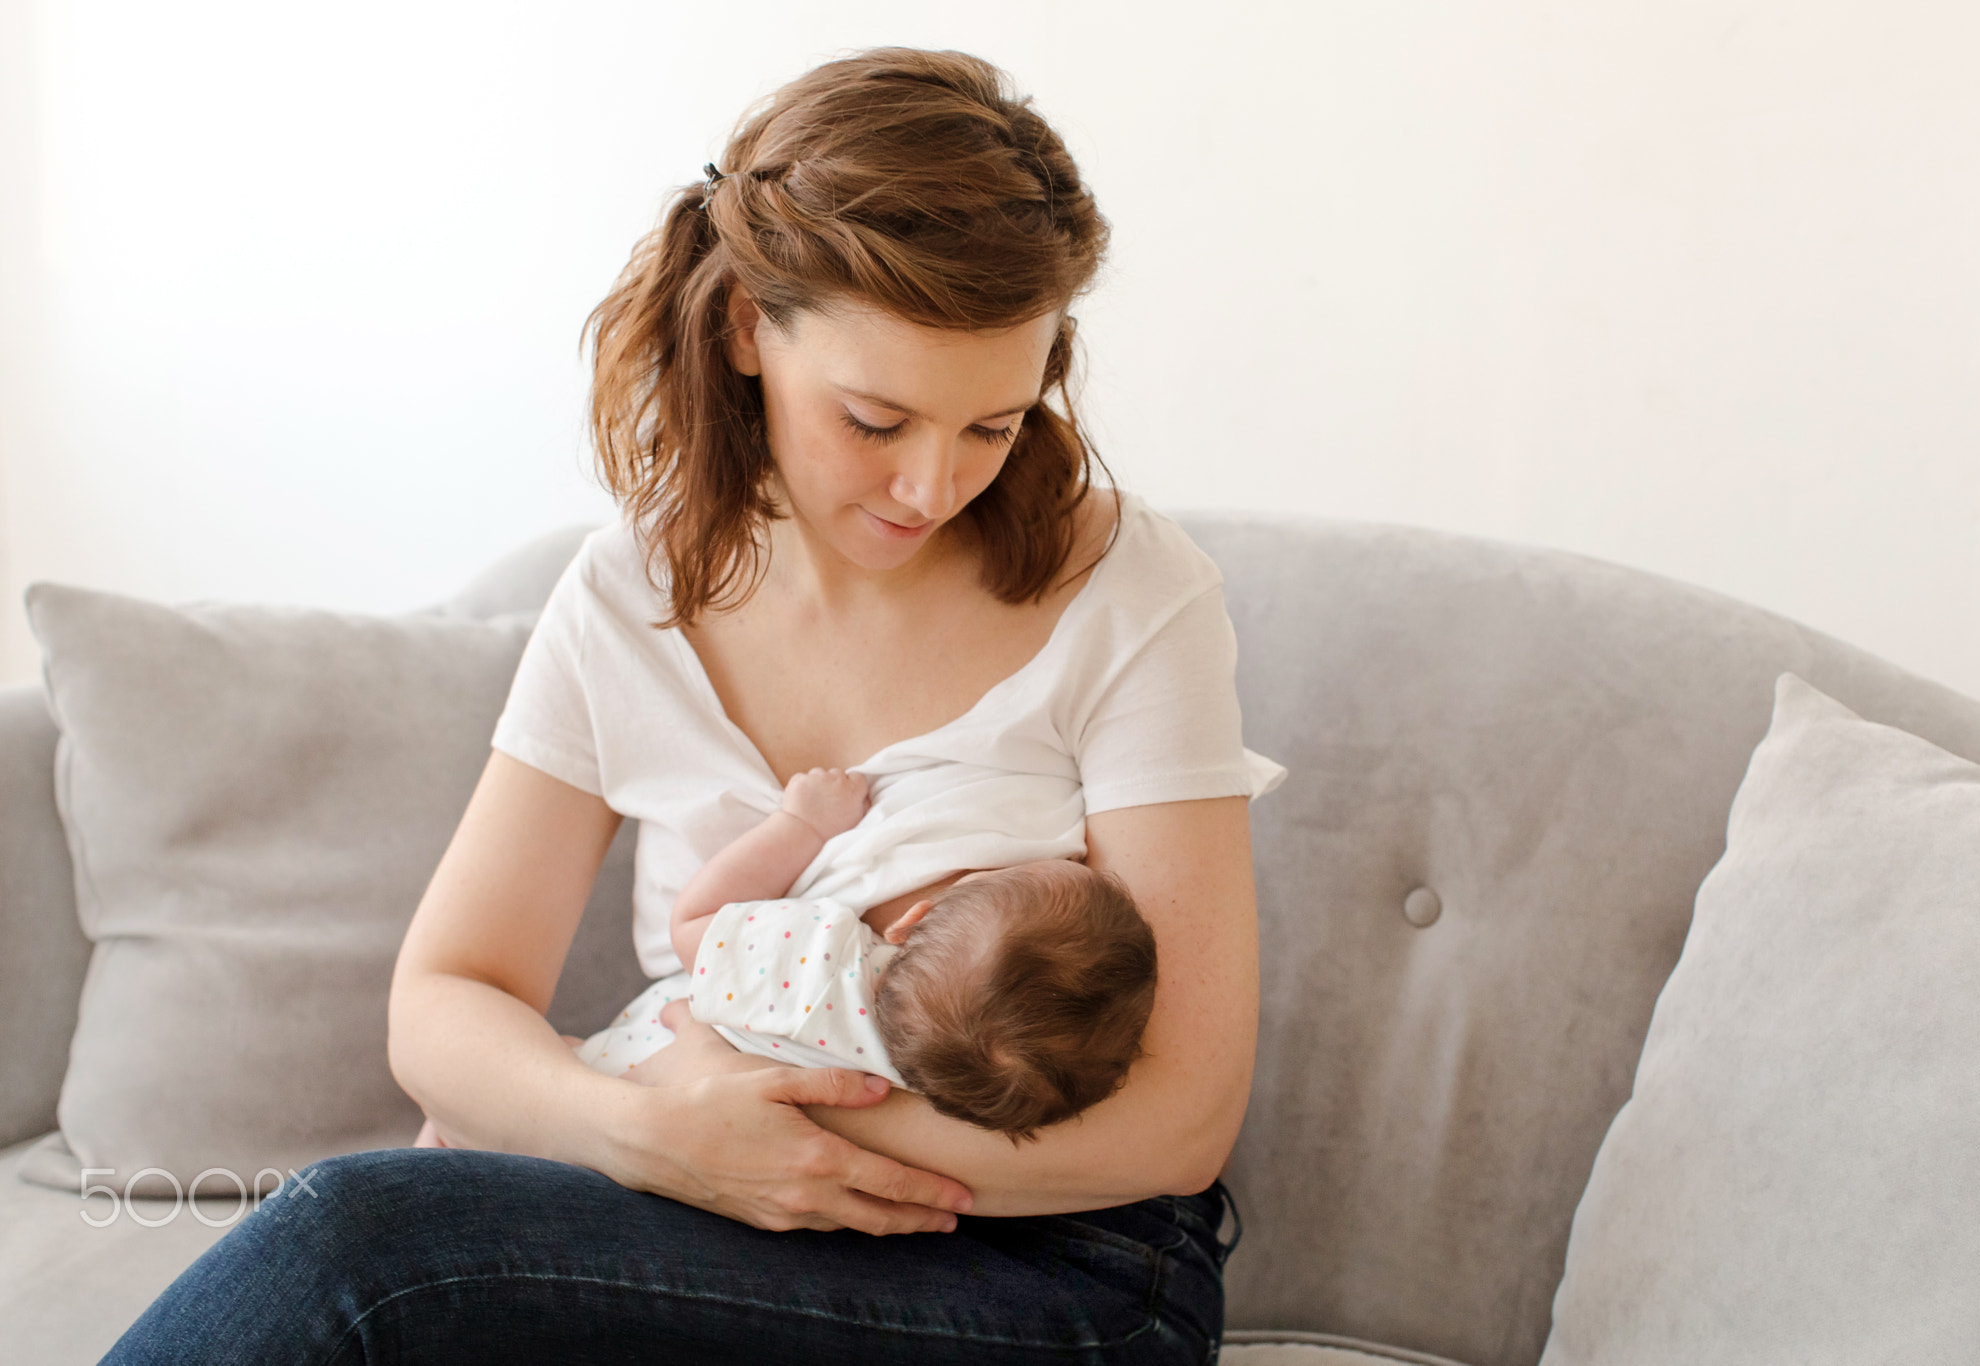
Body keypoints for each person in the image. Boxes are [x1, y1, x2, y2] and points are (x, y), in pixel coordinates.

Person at [102, 46, 1278, 1365]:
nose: (931, 486)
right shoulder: (629, 598)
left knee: (357, 1246)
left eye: (992, 427)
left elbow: (1183, 1114)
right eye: (877, 420)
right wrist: (651, 1134)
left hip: (1063, 1264)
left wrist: (740, 1133)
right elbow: (446, 999)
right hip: (697, 1203)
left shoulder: (1128, 588)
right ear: (742, 332)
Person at [547, 763, 1161, 1141]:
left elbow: (692, 926)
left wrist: (802, 827)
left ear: (909, 922)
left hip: (625, 1071)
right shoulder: (928, 1085)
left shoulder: (817, 964)